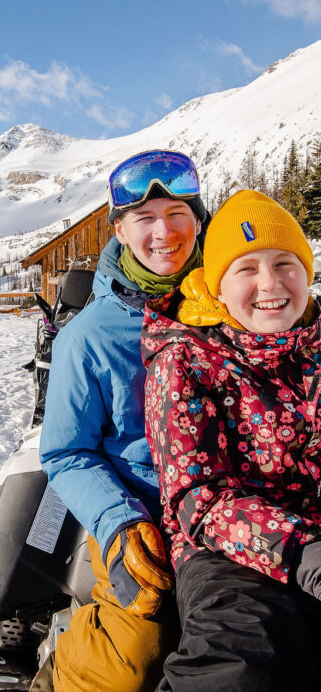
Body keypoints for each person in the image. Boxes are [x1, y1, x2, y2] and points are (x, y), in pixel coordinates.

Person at [36, 149, 207, 692]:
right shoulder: (87, 338)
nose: (164, 232)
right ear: (120, 229)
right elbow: (66, 453)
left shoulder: (229, 302)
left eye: (177, 213)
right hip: (140, 508)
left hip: (222, 508)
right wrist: (118, 522)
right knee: (132, 656)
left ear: (198, 220)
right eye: (144, 219)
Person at [142, 189, 321, 691]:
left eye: (285, 263)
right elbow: (195, 499)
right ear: (218, 287)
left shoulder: (316, 345)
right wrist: (300, 550)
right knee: (249, 662)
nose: (270, 284)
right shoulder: (188, 358)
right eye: (246, 269)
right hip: (226, 550)